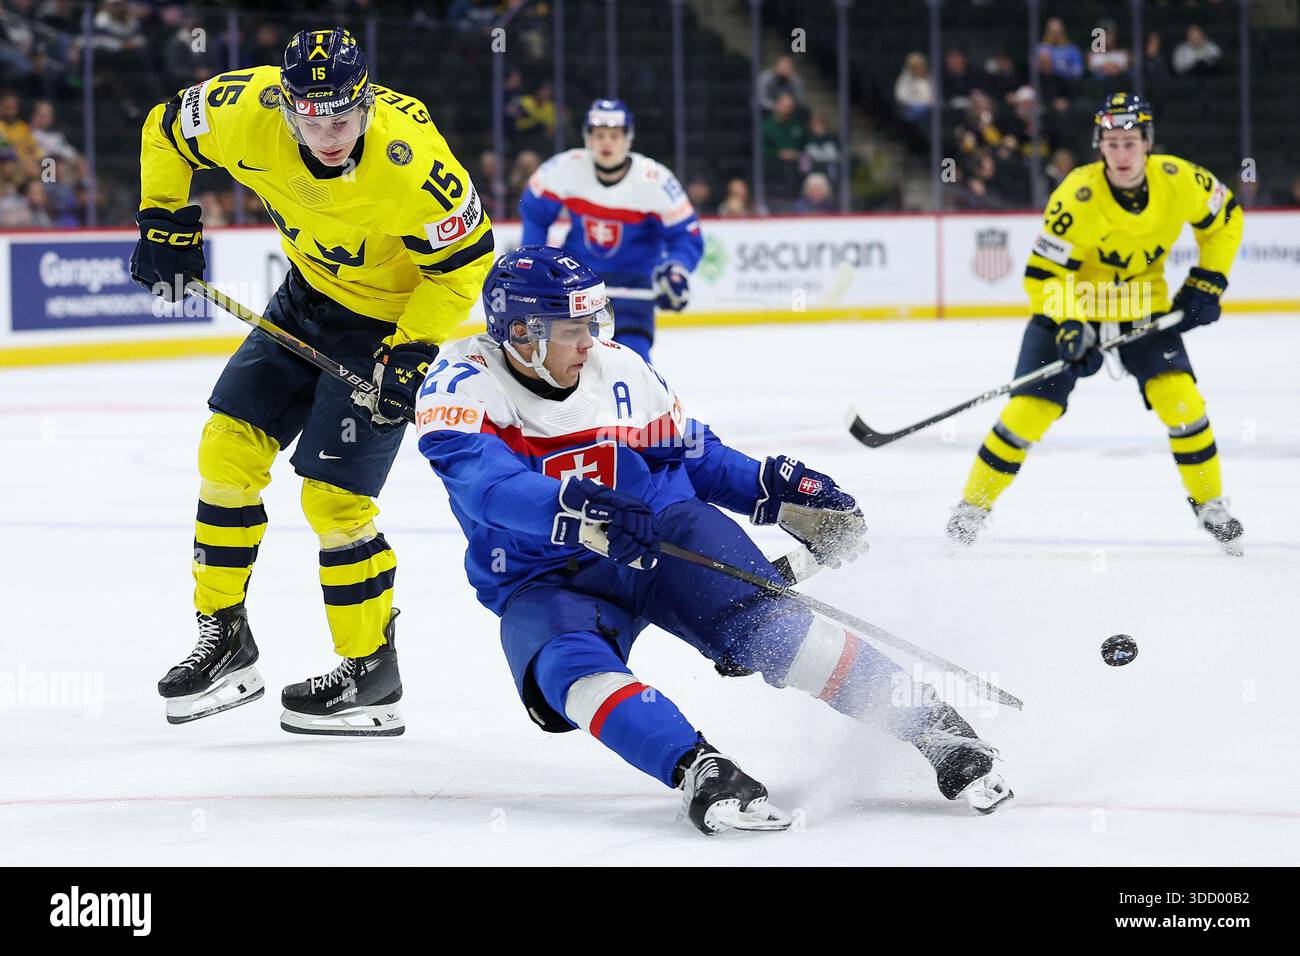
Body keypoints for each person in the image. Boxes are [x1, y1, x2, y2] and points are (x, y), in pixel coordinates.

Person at [414, 246, 1013, 834]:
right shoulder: (462, 386)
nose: (588, 342)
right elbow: (484, 487)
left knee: (775, 633)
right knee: (569, 672)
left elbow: (691, 454)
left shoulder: (620, 370)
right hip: (544, 576)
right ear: (522, 332)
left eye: (591, 324)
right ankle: (698, 768)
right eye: (571, 329)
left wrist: (770, 487)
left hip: (658, 539)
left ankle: (939, 730)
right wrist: (579, 507)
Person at [133, 27, 494, 734]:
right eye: (310, 116)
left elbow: (465, 265)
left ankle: (370, 674)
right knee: (225, 452)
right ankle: (226, 638)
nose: (326, 134)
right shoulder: (246, 108)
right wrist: (165, 222)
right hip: (305, 300)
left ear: (366, 104)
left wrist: (412, 351)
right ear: (286, 104)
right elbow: (164, 128)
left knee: (334, 500)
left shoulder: (412, 163)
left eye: (342, 117)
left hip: (385, 325)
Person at [947, 93, 1245, 554]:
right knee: (1028, 413)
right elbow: (1044, 274)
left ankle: (1210, 505)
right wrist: (1068, 322)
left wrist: (1209, 279)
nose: (1121, 154)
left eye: (1130, 142)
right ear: (1099, 146)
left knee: (1182, 403)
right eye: (1111, 143)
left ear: (1147, 142)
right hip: (1074, 309)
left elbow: (1225, 219)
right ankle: (972, 508)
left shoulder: (1180, 179)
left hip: (1143, 309)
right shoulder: (1077, 195)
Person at [519, 99, 703, 361]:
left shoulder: (655, 181)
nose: (607, 143)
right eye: (599, 135)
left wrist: (675, 269)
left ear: (628, 139)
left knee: (632, 361)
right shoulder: (565, 169)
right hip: (579, 283)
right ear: (588, 138)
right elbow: (534, 211)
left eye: (615, 136)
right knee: (569, 359)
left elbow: (686, 235)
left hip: (634, 285)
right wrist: (533, 261)